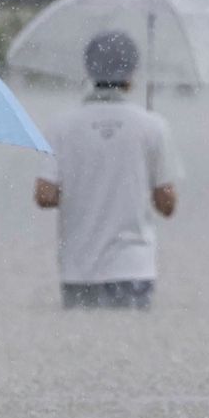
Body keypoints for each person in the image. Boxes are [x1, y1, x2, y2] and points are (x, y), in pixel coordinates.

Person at [34, 31, 181, 309]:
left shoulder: (61, 126)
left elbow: (44, 195)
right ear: (132, 72)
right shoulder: (153, 126)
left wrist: (85, 185)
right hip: (134, 267)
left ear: (88, 68)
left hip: (78, 268)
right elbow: (167, 204)